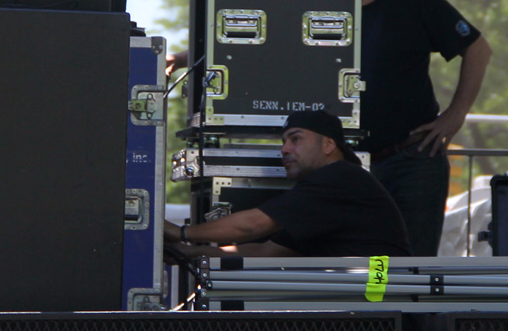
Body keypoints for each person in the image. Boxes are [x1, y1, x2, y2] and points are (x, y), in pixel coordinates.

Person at [340, 0, 492, 256]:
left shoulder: (414, 0)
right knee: (364, 256)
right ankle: (375, 293)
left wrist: (454, 116)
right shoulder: (321, 4)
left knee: (410, 258)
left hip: (412, 158)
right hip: (346, 161)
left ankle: (400, 295)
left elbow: (478, 49)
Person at [164, 109, 409, 258]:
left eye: (296, 139)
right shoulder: (327, 194)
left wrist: (182, 233)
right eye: (284, 142)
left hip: (379, 294)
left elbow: (253, 225)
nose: (284, 149)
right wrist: (192, 251)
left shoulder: (339, 177)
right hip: (371, 301)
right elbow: (265, 252)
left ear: (328, 145)